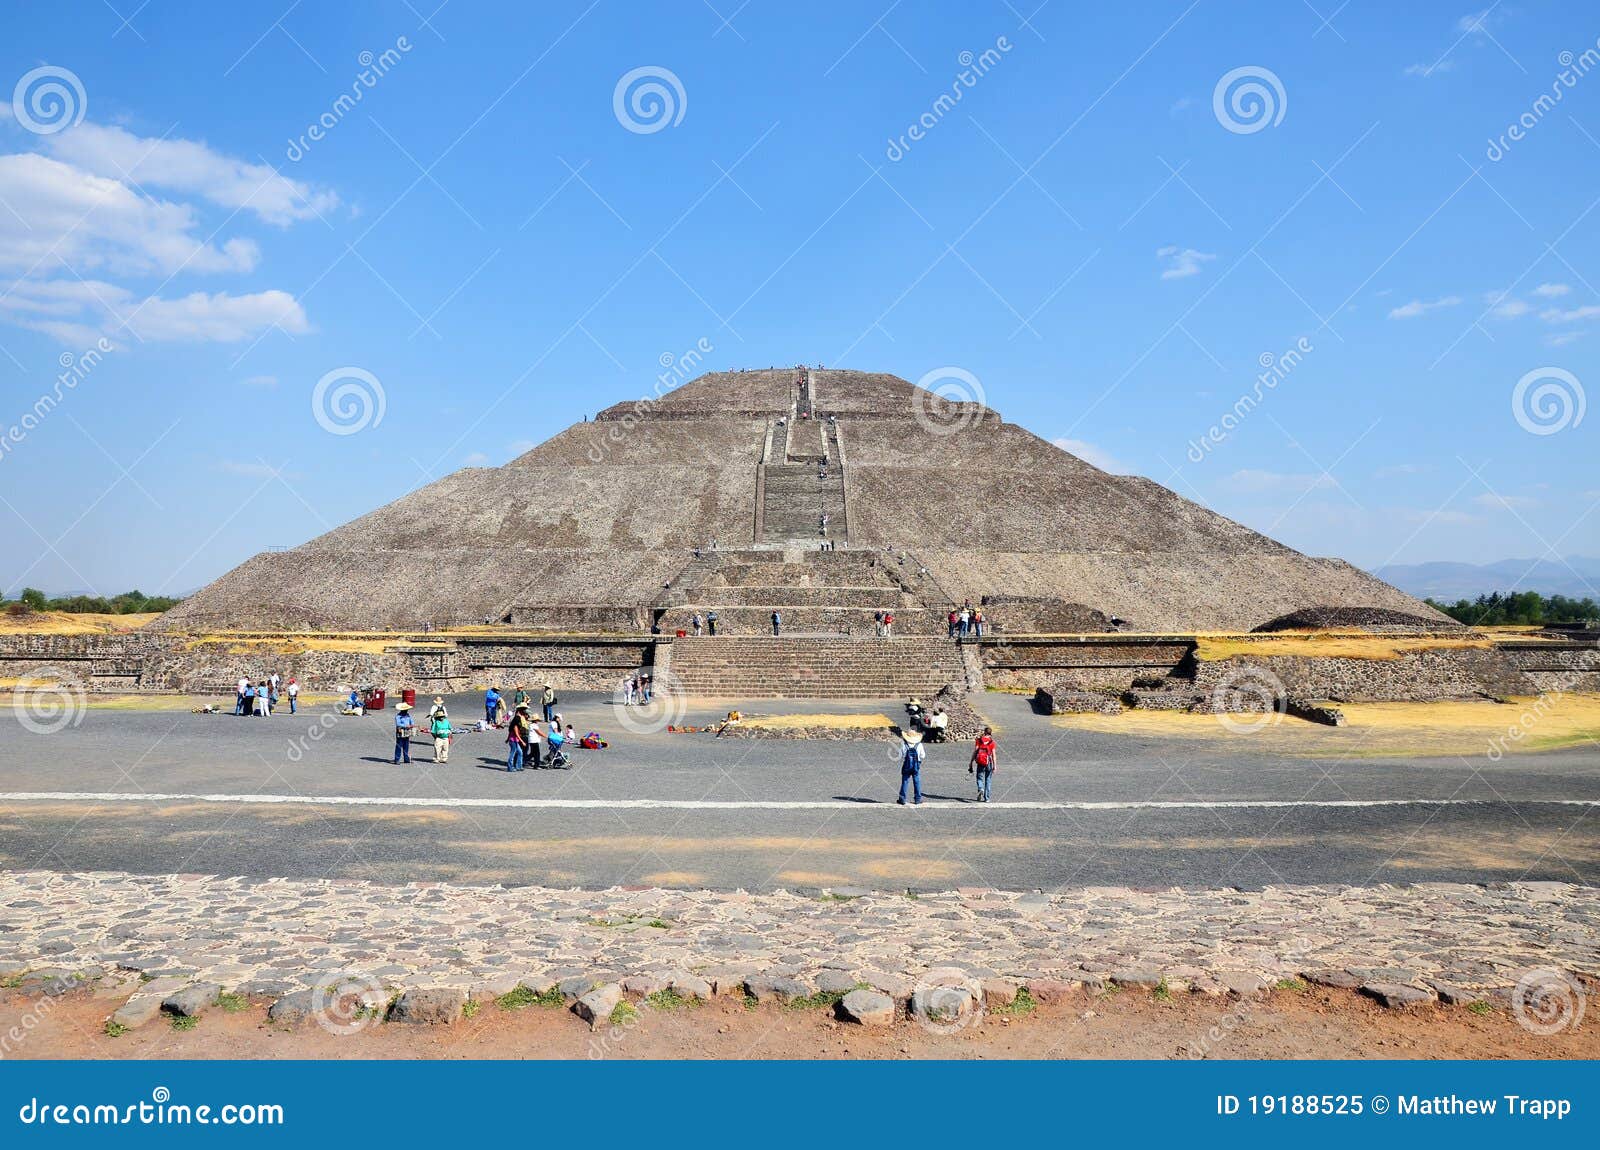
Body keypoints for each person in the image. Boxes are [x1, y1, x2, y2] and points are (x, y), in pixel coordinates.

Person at [896, 730, 925, 806]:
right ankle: (918, 799)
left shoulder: (904, 744)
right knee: (917, 781)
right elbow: (923, 756)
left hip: (907, 765)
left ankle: (902, 799)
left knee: (905, 781)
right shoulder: (919, 745)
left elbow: (901, 755)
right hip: (916, 765)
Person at [971, 726, 997, 802]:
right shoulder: (992, 742)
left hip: (980, 762)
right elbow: (994, 755)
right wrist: (995, 766)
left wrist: (971, 762)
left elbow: (975, 751)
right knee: (988, 780)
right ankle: (987, 798)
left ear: (984, 732)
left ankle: (980, 788)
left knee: (979, 778)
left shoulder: (979, 740)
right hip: (989, 762)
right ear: (990, 733)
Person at [506, 705, 529, 772]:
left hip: (514, 740)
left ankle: (518, 766)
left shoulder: (516, 719)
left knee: (520, 752)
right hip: (513, 740)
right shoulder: (516, 721)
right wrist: (522, 741)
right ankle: (510, 767)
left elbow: (510, 732)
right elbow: (516, 733)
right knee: (512, 753)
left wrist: (507, 739)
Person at [428, 698, 451, 763]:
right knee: (439, 744)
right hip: (437, 722)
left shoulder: (436, 707)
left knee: (442, 746)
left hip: (439, 722)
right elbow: (446, 715)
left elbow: (431, 714)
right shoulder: (441, 707)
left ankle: (441, 758)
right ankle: (439, 757)